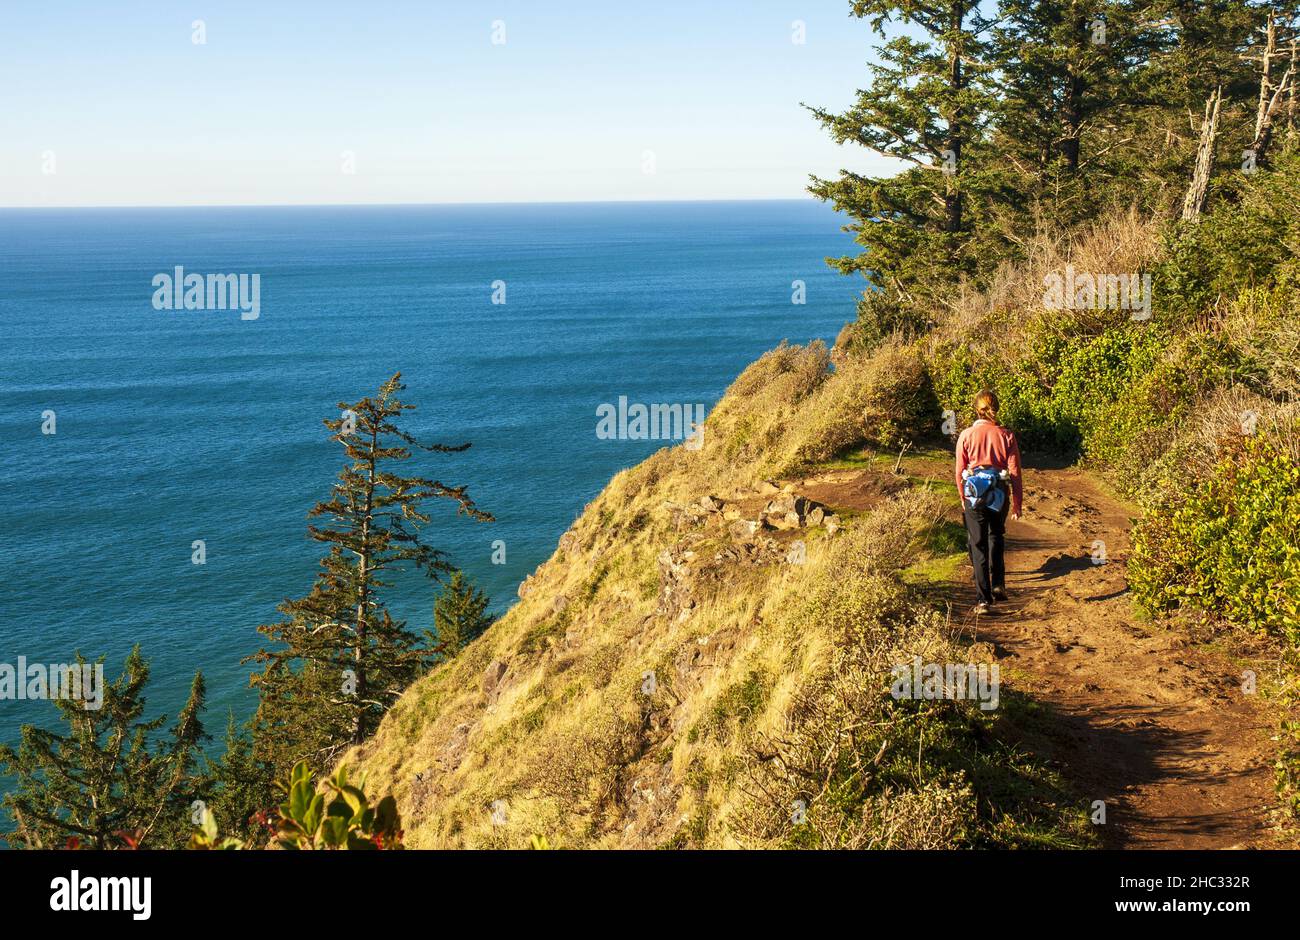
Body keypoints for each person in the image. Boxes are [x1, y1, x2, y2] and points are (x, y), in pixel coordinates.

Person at [954, 390, 1022, 614]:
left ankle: (983, 600)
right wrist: (1017, 503)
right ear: (996, 409)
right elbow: (1014, 472)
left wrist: (963, 498)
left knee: (978, 543)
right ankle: (998, 584)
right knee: (996, 535)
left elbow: (959, 471)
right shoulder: (1006, 435)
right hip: (999, 492)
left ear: (976, 409)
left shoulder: (966, 435)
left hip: (974, 493)